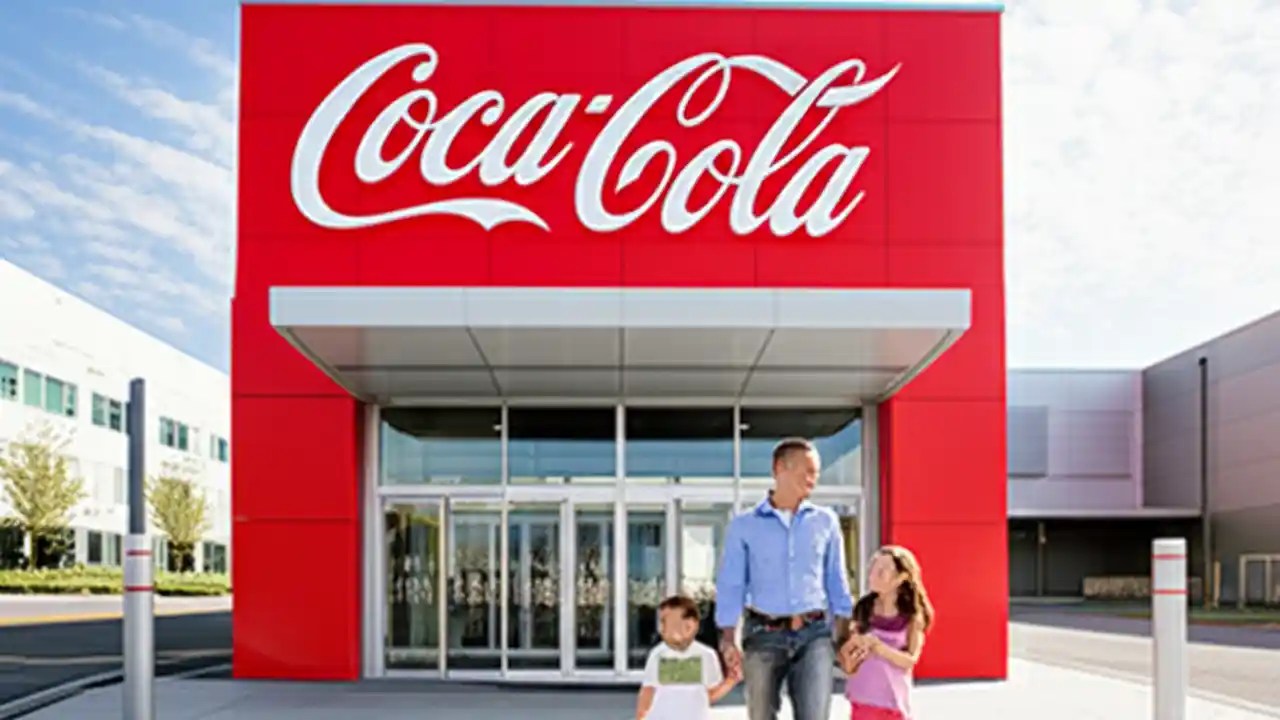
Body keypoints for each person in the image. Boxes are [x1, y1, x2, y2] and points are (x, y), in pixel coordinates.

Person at [714, 437, 855, 720]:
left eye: (816, 472)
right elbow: (732, 585)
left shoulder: (826, 522)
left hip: (815, 635)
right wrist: (728, 638)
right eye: (808, 471)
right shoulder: (744, 526)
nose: (814, 479)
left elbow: (836, 581)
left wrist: (845, 637)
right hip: (763, 635)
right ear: (780, 468)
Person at [840, 545, 935, 720]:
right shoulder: (863, 608)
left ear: (901, 578)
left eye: (882, 570)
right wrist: (849, 655)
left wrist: (878, 647)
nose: (873, 574)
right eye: (873, 568)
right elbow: (848, 662)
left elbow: (910, 661)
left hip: (893, 704)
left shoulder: (912, 617)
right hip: (863, 701)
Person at [636, 595, 739, 720]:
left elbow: (710, 694)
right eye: (661, 622)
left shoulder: (707, 655)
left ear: (690, 625)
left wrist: (730, 681)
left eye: (666, 621)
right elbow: (647, 691)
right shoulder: (657, 654)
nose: (662, 628)